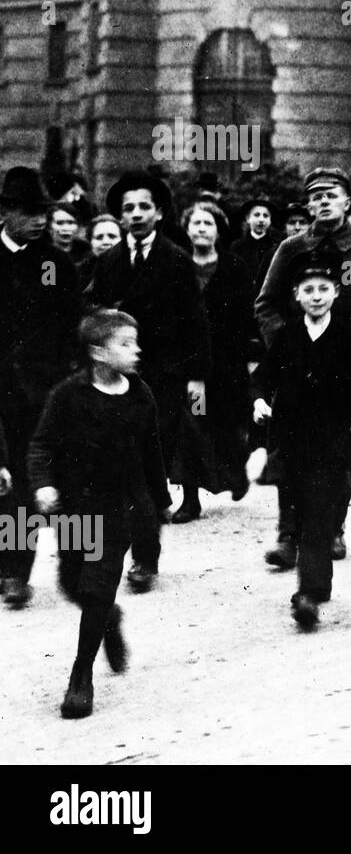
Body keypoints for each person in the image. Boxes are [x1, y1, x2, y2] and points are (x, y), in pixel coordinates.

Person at [28, 309, 169, 718]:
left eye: (136, 341)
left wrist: (160, 500)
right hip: (76, 507)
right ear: (98, 353)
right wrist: (43, 484)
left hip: (122, 507)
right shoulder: (68, 395)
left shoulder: (141, 394)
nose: (136, 350)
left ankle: (80, 678)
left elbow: (151, 451)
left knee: (98, 584)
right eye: (126, 344)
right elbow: (42, 444)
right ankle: (109, 620)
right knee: (75, 584)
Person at [256, 167, 351, 566]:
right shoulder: (292, 248)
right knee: (289, 451)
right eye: (315, 196)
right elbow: (266, 303)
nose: (322, 202)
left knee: (341, 455)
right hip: (298, 370)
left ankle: (333, 528)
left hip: (346, 369)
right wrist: (289, 350)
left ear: (347, 202)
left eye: (331, 195)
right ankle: (288, 535)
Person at [84, 168, 209, 593]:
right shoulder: (109, 261)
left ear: (158, 213)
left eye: (143, 207)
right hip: (117, 376)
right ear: (119, 217)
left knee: (145, 466)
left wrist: (196, 378)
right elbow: (99, 321)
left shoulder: (175, 259)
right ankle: (119, 552)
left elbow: (196, 321)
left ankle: (145, 558)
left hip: (164, 378)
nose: (136, 215)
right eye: (128, 208)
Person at [252, 250, 351, 630]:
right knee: (296, 509)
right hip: (290, 443)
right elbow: (262, 378)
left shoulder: (347, 340)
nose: (316, 296)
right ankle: (317, 582)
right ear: (296, 294)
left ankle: (307, 594)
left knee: (318, 516)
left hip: (332, 444)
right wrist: (259, 400)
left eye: (324, 288)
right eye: (308, 289)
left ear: (336, 293)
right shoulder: (287, 336)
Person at [0, 168, 83, 608]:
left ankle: (16, 571)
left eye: (44, 213)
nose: (39, 221)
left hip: (40, 392)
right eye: (30, 213)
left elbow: (70, 324)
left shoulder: (53, 262)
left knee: (24, 483)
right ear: (6, 212)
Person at [171, 200, 261, 522]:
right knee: (192, 425)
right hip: (191, 365)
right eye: (195, 223)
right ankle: (190, 499)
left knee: (229, 425)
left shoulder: (234, 267)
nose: (201, 229)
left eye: (207, 224)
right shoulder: (177, 266)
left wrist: (251, 357)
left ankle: (236, 472)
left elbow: (248, 316)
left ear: (218, 230)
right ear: (186, 229)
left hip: (228, 365)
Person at [230, 196, 284, 291]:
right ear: (248, 218)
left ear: (270, 220)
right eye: (257, 215)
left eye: (265, 216)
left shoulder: (276, 247)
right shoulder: (237, 246)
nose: (261, 220)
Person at [48, 201, 92, 266]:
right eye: (59, 223)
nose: (66, 228)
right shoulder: (42, 252)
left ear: (78, 226)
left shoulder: (87, 252)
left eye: (71, 223)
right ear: (49, 226)